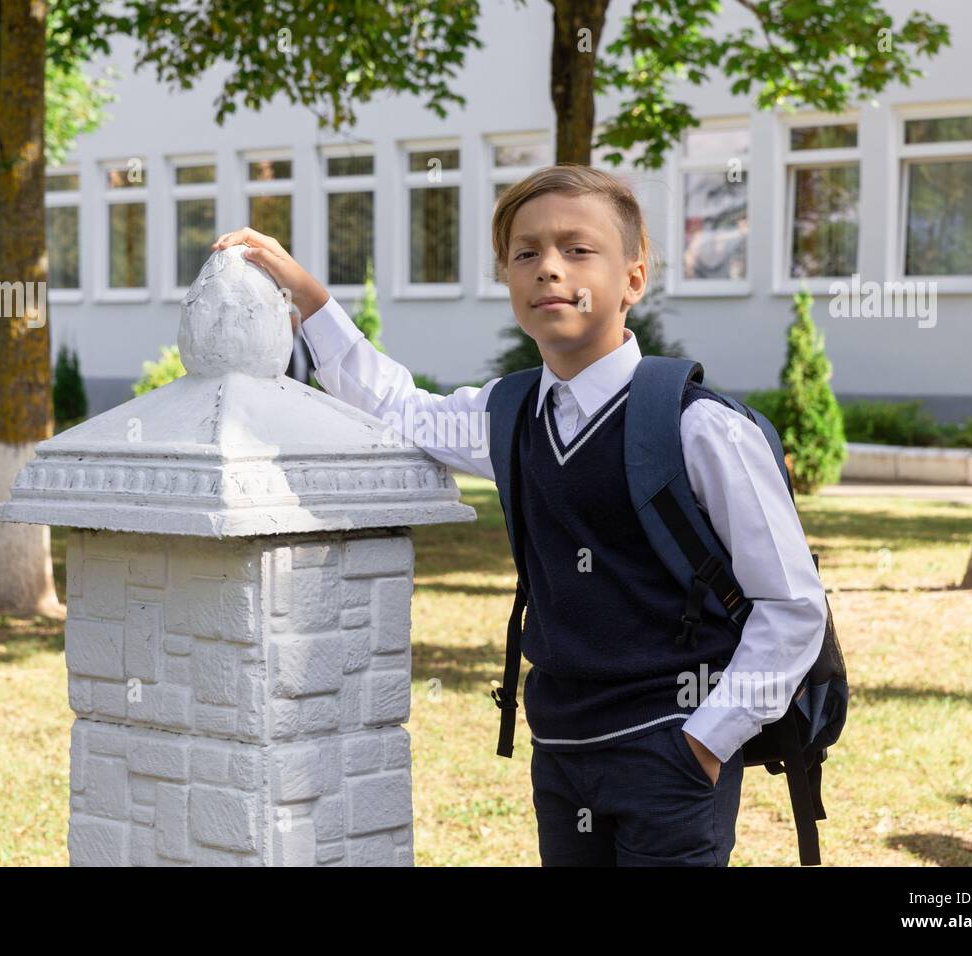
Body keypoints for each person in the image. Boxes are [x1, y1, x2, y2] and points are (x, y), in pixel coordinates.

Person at [212, 162, 827, 866]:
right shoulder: (506, 415)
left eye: (578, 249)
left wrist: (707, 739)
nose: (548, 268)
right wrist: (311, 299)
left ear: (633, 277)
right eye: (526, 253)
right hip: (561, 749)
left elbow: (791, 605)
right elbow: (395, 408)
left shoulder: (700, 429)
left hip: (673, 750)